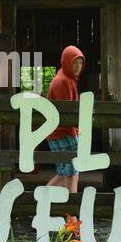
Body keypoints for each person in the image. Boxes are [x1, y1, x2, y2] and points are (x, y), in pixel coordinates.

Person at [45, 45, 85, 195]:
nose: (78, 67)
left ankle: (41, 202)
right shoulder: (63, 81)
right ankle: (72, 213)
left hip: (61, 132)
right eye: (75, 63)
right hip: (62, 132)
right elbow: (66, 114)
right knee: (72, 171)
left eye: (80, 63)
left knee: (65, 172)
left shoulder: (67, 78)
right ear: (67, 62)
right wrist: (75, 134)